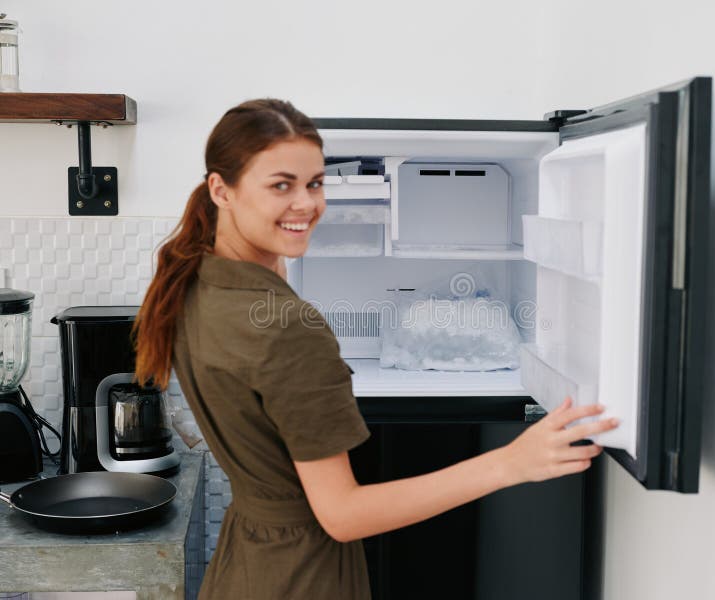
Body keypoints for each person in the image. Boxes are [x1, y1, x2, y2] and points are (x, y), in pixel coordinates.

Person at [132, 98, 618, 600]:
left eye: (314, 183)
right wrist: (509, 463)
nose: (307, 204)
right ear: (221, 189)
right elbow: (343, 515)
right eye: (281, 185)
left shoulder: (191, 284)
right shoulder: (290, 330)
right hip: (301, 577)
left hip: (243, 565)